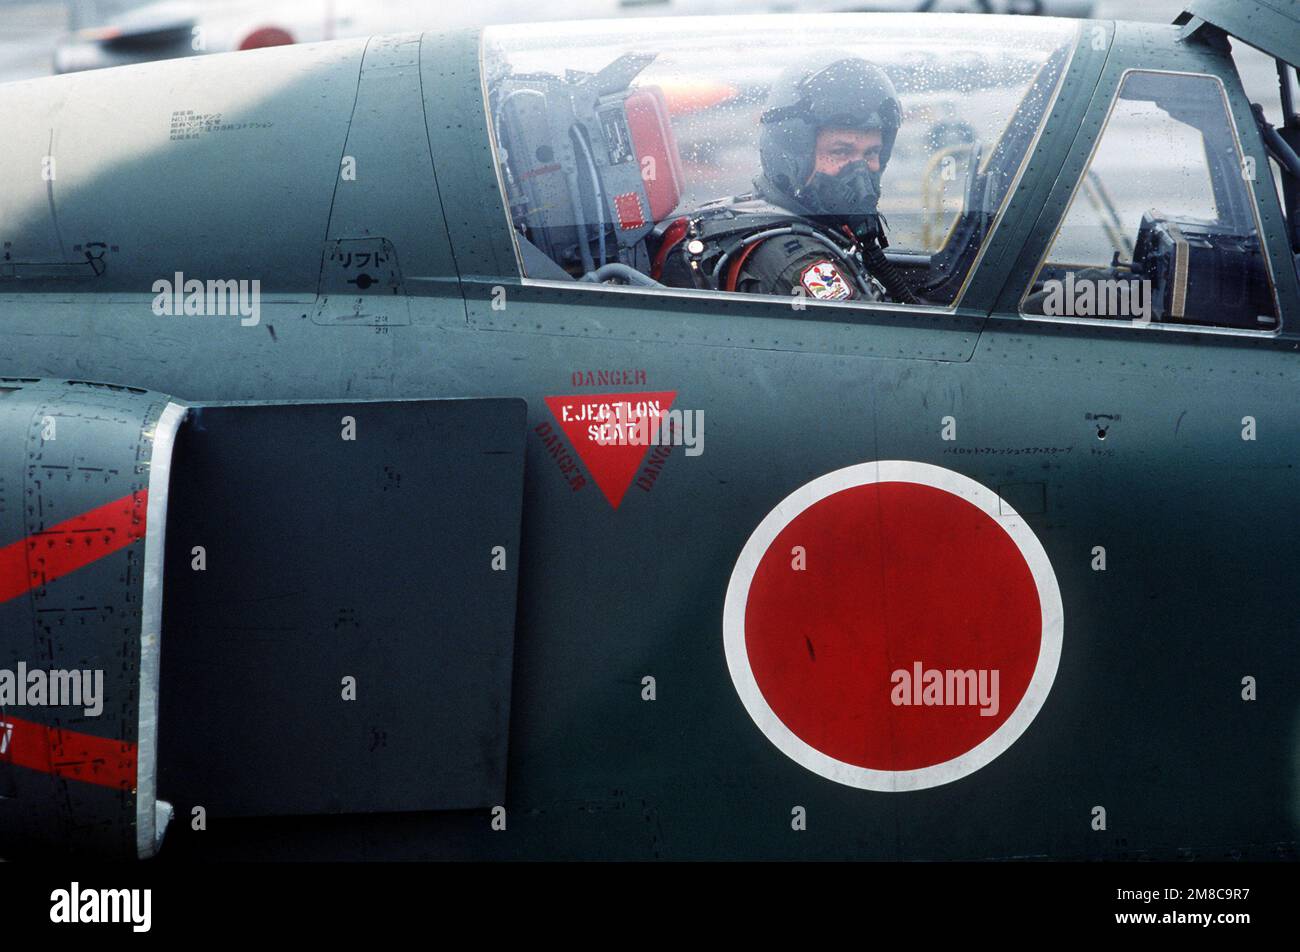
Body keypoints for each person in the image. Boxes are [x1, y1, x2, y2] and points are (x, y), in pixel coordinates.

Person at [654, 53, 921, 305]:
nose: (861, 172)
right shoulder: (801, 264)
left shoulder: (779, 219)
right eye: (841, 151)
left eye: (871, 152)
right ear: (794, 155)